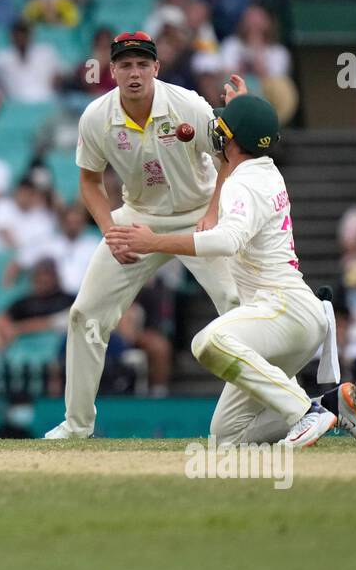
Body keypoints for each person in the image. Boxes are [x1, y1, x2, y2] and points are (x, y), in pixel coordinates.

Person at [106, 93, 356, 447]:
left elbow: (227, 241)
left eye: (223, 130)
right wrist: (243, 112)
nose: (216, 136)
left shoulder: (243, 184)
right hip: (292, 320)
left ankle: (303, 412)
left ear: (232, 140)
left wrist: (152, 242)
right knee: (227, 437)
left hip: (283, 310)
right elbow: (235, 170)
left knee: (208, 342)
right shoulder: (264, 171)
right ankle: (327, 406)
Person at [43, 32, 241, 440]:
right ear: (112, 71)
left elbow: (229, 158)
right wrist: (111, 231)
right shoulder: (96, 117)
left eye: (142, 65)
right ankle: (77, 426)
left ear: (156, 68)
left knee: (239, 308)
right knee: (84, 315)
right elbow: (90, 183)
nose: (134, 73)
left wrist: (212, 211)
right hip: (138, 217)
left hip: (197, 215)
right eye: (125, 66)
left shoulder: (187, 105)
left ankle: (273, 409)